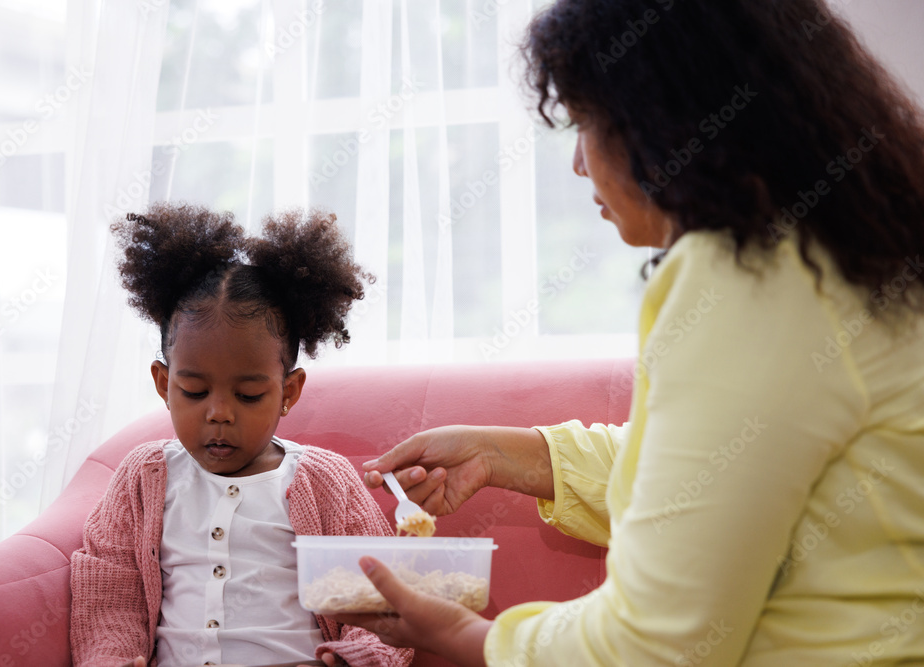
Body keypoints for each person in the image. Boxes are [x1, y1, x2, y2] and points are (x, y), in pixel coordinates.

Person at [338, 0, 924, 665]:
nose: (579, 166)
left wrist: (468, 637)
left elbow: (657, 644)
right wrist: (505, 455)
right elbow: (727, 471)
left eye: (585, 121)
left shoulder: (747, 278)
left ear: (664, 122)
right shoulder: (847, 250)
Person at [70, 202, 413, 667]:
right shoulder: (145, 476)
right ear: (163, 384)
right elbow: (111, 588)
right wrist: (112, 658)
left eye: (249, 395)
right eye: (193, 391)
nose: (219, 414)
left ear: (288, 392)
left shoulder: (323, 481)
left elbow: (382, 593)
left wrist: (360, 657)